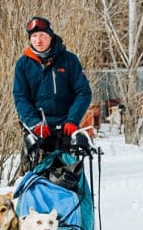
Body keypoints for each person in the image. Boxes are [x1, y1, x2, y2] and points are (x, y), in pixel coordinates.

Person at [13, 16, 93, 152]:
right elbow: (21, 97)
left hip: (67, 129)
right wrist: (34, 123)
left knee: (70, 171)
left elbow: (83, 92)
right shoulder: (23, 64)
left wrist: (73, 120)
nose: (38, 40)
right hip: (38, 132)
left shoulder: (69, 60)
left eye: (43, 35)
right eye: (34, 36)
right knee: (36, 172)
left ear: (50, 36)